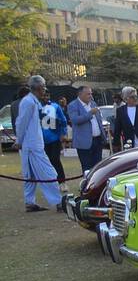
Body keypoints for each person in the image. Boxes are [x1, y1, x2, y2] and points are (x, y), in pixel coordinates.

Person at [14, 75, 61, 212]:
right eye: (44, 87)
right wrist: (19, 141)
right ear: (39, 87)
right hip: (33, 146)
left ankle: (30, 202)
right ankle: (58, 202)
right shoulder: (28, 102)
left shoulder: (33, 101)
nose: (45, 90)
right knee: (49, 173)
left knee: (30, 175)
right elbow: (21, 123)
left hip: (32, 144)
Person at [67, 85, 106, 176]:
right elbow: (75, 120)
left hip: (97, 140)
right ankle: (88, 184)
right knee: (87, 168)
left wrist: (103, 135)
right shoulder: (73, 105)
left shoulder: (93, 103)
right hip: (84, 143)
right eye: (88, 94)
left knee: (98, 167)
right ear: (80, 94)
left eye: (91, 94)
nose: (90, 96)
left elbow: (99, 120)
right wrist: (90, 113)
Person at [40, 90, 68, 185]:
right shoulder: (38, 107)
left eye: (47, 95)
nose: (45, 97)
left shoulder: (55, 106)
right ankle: (51, 181)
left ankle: (62, 181)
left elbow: (63, 120)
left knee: (55, 159)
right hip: (42, 139)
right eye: (44, 95)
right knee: (47, 161)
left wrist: (63, 133)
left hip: (55, 137)